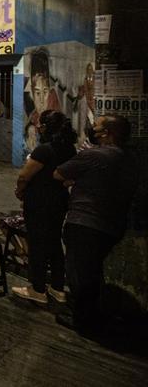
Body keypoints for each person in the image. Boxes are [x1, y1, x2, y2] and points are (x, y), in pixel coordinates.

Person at [53, 115, 137, 335]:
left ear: (107, 133)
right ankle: (93, 312)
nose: (93, 129)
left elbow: (59, 173)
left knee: (80, 274)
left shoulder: (94, 155)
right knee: (91, 271)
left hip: (86, 223)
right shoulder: (129, 157)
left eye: (97, 127)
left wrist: (75, 180)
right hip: (113, 224)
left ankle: (83, 322)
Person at [11, 110, 77, 304]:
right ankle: (58, 288)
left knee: (37, 244)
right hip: (59, 200)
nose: (38, 127)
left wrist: (20, 191)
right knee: (55, 242)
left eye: (41, 124)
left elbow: (24, 176)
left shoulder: (44, 150)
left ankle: (37, 289)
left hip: (39, 201)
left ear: (47, 128)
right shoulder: (69, 149)